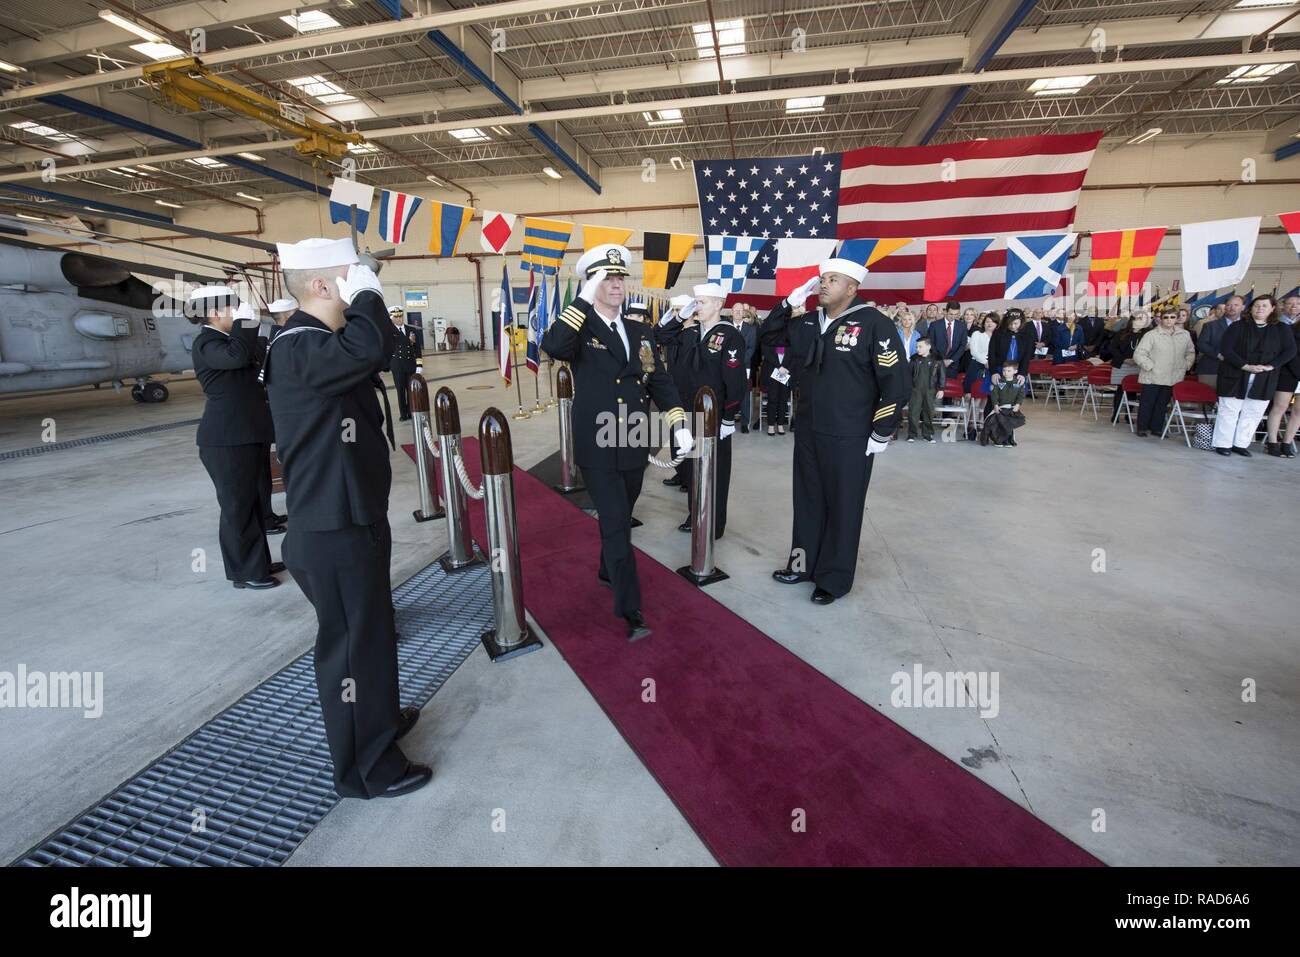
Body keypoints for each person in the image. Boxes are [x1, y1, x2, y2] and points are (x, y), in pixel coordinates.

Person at [262, 236, 428, 800]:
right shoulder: (298, 346)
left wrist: (365, 292)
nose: (359, 285)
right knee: (355, 648)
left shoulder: (319, 342)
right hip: (332, 529)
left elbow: (377, 348)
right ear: (323, 286)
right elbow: (366, 347)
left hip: (350, 518)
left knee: (373, 635)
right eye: (349, 277)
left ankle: (377, 722)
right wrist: (370, 292)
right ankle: (368, 769)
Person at [542, 243, 692, 640]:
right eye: (605, 278)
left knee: (622, 514)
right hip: (597, 440)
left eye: (619, 277)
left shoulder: (640, 331)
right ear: (591, 283)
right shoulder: (580, 328)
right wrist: (582, 300)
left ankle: (608, 568)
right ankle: (631, 609)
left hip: (634, 438)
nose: (616, 284)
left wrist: (678, 423)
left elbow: (658, 379)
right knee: (615, 524)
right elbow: (552, 346)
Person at [760, 257, 910, 605]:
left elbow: (897, 381)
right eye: (822, 278)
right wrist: (788, 304)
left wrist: (882, 430)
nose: (823, 284)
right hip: (810, 430)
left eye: (832, 279)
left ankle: (833, 578)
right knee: (807, 500)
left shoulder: (874, 323)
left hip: (851, 434)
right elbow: (770, 338)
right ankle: (801, 564)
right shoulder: (810, 322)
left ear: (852, 288)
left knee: (844, 506)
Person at [189, 285, 281, 591]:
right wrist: (246, 324)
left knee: (253, 502)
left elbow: (256, 355)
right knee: (236, 507)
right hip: (225, 440)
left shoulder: (230, 340)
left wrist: (248, 326)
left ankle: (258, 562)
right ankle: (243, 572)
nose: (238, 314)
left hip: (247, 434)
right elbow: (238, 357)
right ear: (215, 313)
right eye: (232, 309)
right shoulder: (207, 342)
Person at [673, 283, 747, 537]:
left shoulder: (729, 335)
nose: (697, 307)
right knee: (695, 467)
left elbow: (735, 381)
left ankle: (714, 523)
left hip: (714, 415)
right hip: (690, 410)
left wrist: (728, 417)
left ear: (718, 304)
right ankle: (696, 515)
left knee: (716, 469)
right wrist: (681, 316)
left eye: (702, 302)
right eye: (695, 301)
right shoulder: (692, 332)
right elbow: (661, 336)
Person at [1212, 295, 1297, 456]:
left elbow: (1290, 351)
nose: (1260, 309)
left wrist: (1270, 366)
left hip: (1265, 376)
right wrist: (1245, 366)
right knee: (1229, 410)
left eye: (1264, 306)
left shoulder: (1281, 329)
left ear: (1272, 309)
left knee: (1253, 412)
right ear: (1250, 308)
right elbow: (1226, 349)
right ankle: (1223, 444)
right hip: (1236, 373)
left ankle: (1240, 444)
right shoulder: (1238, 326)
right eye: (1257, 305)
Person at [655, 293, 699, 492]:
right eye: (674, 311)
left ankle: (691, 478)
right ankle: (680, 473)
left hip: (689, 393)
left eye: (679, 311)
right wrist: (668, 320)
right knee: (675, 436)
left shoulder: (695, 333)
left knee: (688, 436)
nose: (676, 315)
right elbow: (658, 337)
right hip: (674, 394)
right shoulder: (676, 332)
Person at [1132, 309, 1195, 437]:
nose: (1169, 320)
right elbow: (1139, 354)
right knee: (1147, 402)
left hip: (1173, 376)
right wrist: (1150, 367)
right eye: (1166, 317)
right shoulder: (1152, 335)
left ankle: (1157, 428)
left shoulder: (1185, 335)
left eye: (1172, 317)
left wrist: (1186, 365)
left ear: (1176, 319)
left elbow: (1190, 352)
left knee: (1162, 403)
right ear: (1161, 319)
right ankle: (1142, 427)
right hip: (1152, 375)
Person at [1264, 314, 1300, 457]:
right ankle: (1272, 442)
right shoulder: (1290, 330)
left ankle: (1287, 443)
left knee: (1298, 412)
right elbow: (1290, 353)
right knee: (1280, 408)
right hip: (1288, 374)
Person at [1108, 311, 1152, 423]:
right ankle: (1115, 415)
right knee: (1120, 389)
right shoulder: (1122, 333)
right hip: (1122, 364)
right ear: (1132, 320)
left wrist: (1138, 360)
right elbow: (1113, 348)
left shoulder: (1147, 335)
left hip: (1138, 365)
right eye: (1137, 318)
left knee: (1132, 390)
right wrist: (1124, 359)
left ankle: (1128, 415)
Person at [1196, 294, 1244, 387]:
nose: (1232, 308)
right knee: (1207, 400)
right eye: (1229, 305)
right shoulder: (1210, 325)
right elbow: (1201, 344)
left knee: (1230, 401)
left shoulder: (1248, 327)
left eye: (1236, 305)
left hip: (1238, 370)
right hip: (1212, 369)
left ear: (1243, 307)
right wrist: (1219, 355)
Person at [760, 303, 793, 436]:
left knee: (783, 399)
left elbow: (795, 349)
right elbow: (765, 350)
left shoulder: (792, 328)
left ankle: (780, 424)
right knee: (772, 398)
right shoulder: (769, 328)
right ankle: (771, 425)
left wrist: (785, 366)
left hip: (786, 370)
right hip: (773, 369)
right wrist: (779, 366)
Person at [907, 337, 944, 443]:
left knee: (929, 412)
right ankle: (911, 434)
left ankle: (928, 434)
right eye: (916, 347)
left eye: (920, 346)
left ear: (928, 346)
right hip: (916, 390)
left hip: (930, 390)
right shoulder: (914, 359)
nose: (917, 349)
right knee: (913, 412)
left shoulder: (937, 359)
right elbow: (909, 375)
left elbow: (942, 375)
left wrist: (941, 389)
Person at [982, 361, 1025, 448]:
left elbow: (1021, 395)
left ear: (1015, 371)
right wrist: (995, 405)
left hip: (1011, 409)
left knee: (1009, 425)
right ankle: (998, 441)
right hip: (1000, 408)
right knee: (998, 425)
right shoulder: (999, 382)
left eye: (1009, 371)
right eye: (1004, 370)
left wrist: (1018, 405)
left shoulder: (1018, 383)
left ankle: (1008, 441)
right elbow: (994, 394)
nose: (1006, 373)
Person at [387, 306, 419, 421]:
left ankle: (411, 412)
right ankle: (403, 413)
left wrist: (419, 364)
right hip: (398, 365)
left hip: (410, 364)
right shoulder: (388, 331)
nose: (399, 319)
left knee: (410, 390)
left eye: (401, 316)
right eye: (396, 317)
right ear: (391, 318)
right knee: (400, 390)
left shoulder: (411, 330)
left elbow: (417, 349)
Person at [926, 299, 968, 382]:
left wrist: (951, 360)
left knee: (951, 390)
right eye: (951, 314)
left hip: (953, 364)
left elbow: (962, 345)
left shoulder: (962, 326)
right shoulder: (934, 325)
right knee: (935, 389)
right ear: (946, 311)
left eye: (956, 314)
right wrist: (941, 360)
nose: (953, 317)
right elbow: (931, 343)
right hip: (936, 362)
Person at [732, 302, 758, 432]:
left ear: (744, 313)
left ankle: (744, 422)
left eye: (740, 310)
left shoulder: (750, 329)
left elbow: (751, 348)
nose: (737, 312)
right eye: (735, 310)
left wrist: (740, 362)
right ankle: (728, 419)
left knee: (745, 394)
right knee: (728, 393)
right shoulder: (726, 327)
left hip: (744, 366)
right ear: (732, 312)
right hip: (727, 367)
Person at [965, 313, 997, 394]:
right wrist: (985, 362)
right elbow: (974, 351)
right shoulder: (977, 334)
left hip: (993, 365)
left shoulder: (999, 336)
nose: (989, 324)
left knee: (989, 392)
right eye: (987, 322)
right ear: (983, 323)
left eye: (992, 322)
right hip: (976, 364)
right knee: (972, 391)